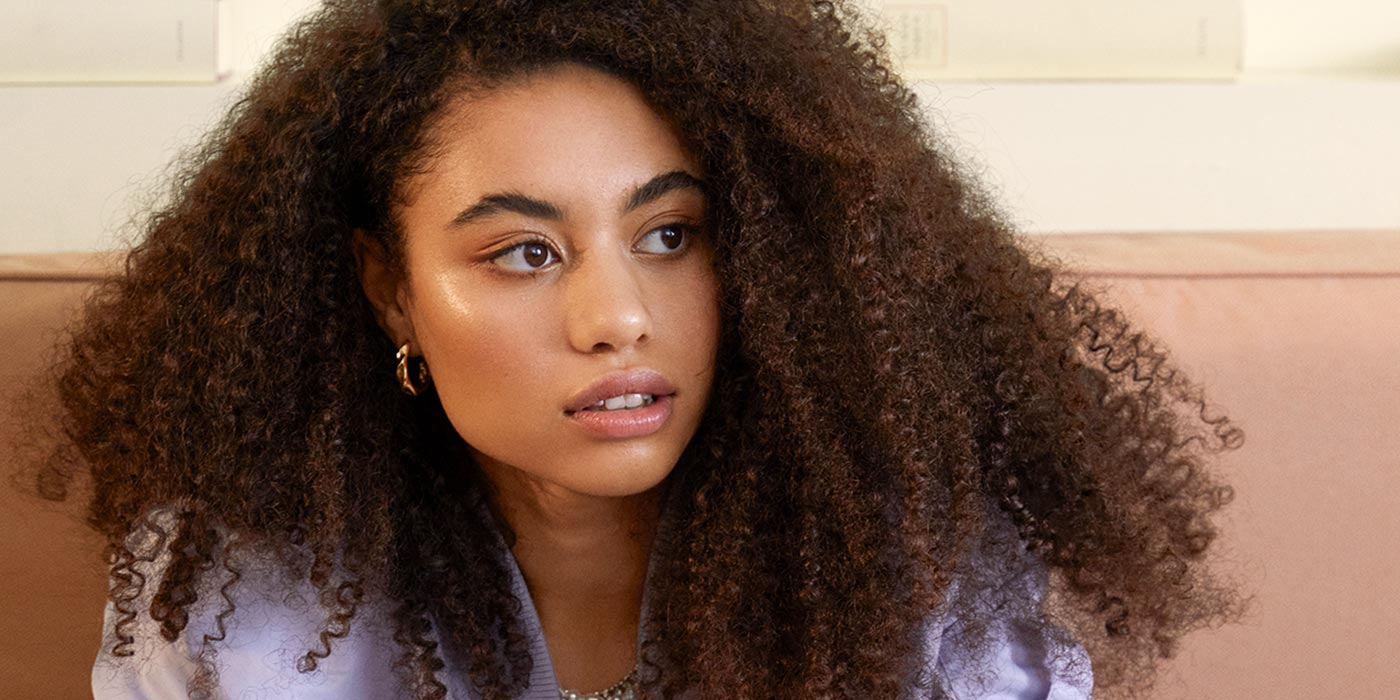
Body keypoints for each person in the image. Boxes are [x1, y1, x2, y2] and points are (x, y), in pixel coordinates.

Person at [23, 1, 1244, 698]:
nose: (615, 316)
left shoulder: (909, 575)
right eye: (523, 252)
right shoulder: (236, 605)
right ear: (391, 292)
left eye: (669, 234)